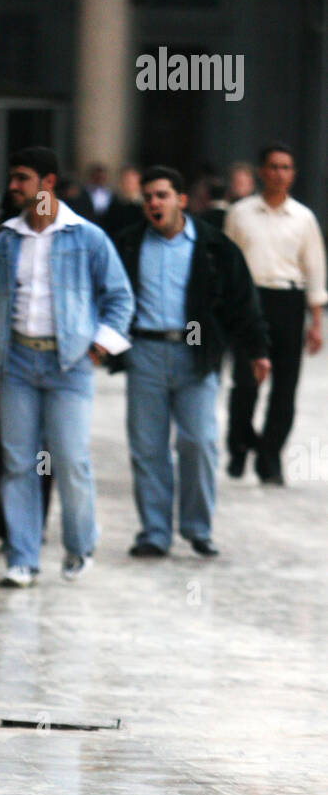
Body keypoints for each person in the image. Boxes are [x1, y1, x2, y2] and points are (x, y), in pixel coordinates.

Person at [0, 146, 134, 586]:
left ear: (49, 183)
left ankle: (80, 546)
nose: (13, 186)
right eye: (13, 178)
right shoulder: (5, 242)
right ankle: (23, 558)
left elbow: (121, 298)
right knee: (18, 462)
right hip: (17, 362)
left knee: (70, 459)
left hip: (69, 366)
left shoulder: (89, 238)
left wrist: (97, 348)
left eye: (22, 178)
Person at [112, 166, 270, 559]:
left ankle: (198, 528)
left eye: (162, 195)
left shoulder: (214, 247)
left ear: (181, 200)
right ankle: (154, 532)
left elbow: (241, 301)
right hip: (146, 351)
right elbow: (109, 294)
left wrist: (257, 349)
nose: (154, 203)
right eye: (148, 196)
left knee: (198, 441)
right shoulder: (129, 245)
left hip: (195, 352)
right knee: (148, 447)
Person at [224, 143, 327, 483]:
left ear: (293, 174)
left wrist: (315, 322)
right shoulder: (240, 214)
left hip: (288, 302)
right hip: (250, 302)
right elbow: (228, 264)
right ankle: (240, 444)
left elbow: (314, 270)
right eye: (273, 166)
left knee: (285, 385)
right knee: (245, 381)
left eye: (286, 167)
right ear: (261, 171)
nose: (279, 173)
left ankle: (270, 456)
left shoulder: (303, 218)